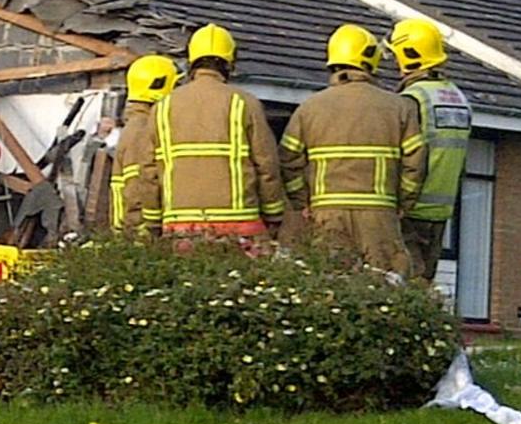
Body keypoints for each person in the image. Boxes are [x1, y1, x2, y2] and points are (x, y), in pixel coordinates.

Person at [279, 24, 426, 276]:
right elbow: (416, 164)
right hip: (379, 215)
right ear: (371, 60)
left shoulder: (309, 108)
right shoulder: (400, 108)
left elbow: (288, 160)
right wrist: (403, 203)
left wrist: (302, 202)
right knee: (383, 282)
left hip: (326, 214)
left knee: (329, 281)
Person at [139, 24, 285, 238]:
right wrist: (273, 215)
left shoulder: (162, 107)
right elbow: (266, 166)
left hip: (180, 225)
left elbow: (148, 172)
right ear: (229, 63)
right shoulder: (244, 103)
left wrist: (153, 222)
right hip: (240, 224)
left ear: (191, 62)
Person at [388, 18, 472, 281]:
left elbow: (407, 156)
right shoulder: (458, 98)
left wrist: (400, 201)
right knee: (424, 282)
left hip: (411, 209)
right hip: (441, 211)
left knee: (405, 284)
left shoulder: (413, 99)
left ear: (407, 54)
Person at [110, 55, 178, 235]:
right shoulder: (142, 130)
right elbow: (136, 190)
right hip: (140, 232)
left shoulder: (140, 124)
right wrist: (145, 233)